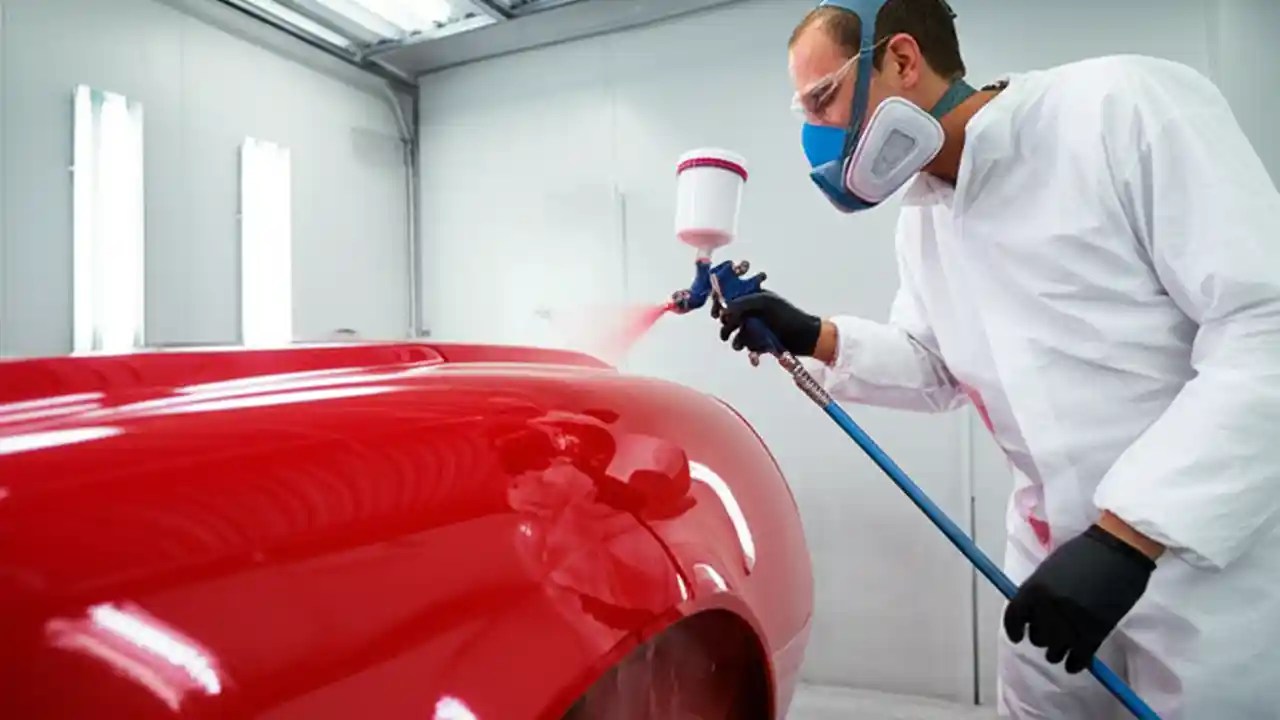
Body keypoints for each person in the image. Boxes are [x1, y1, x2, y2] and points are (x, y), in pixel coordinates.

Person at [714, 0, 1280, 717]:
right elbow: (935, 365)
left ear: (903, 61)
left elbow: (1264, 328)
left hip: (1199, 561)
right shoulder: (925, 217)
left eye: (822, 100)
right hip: (1051, 554)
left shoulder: (1118, 108)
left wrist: (1132, 536)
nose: (814, 133)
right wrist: (810, 335)